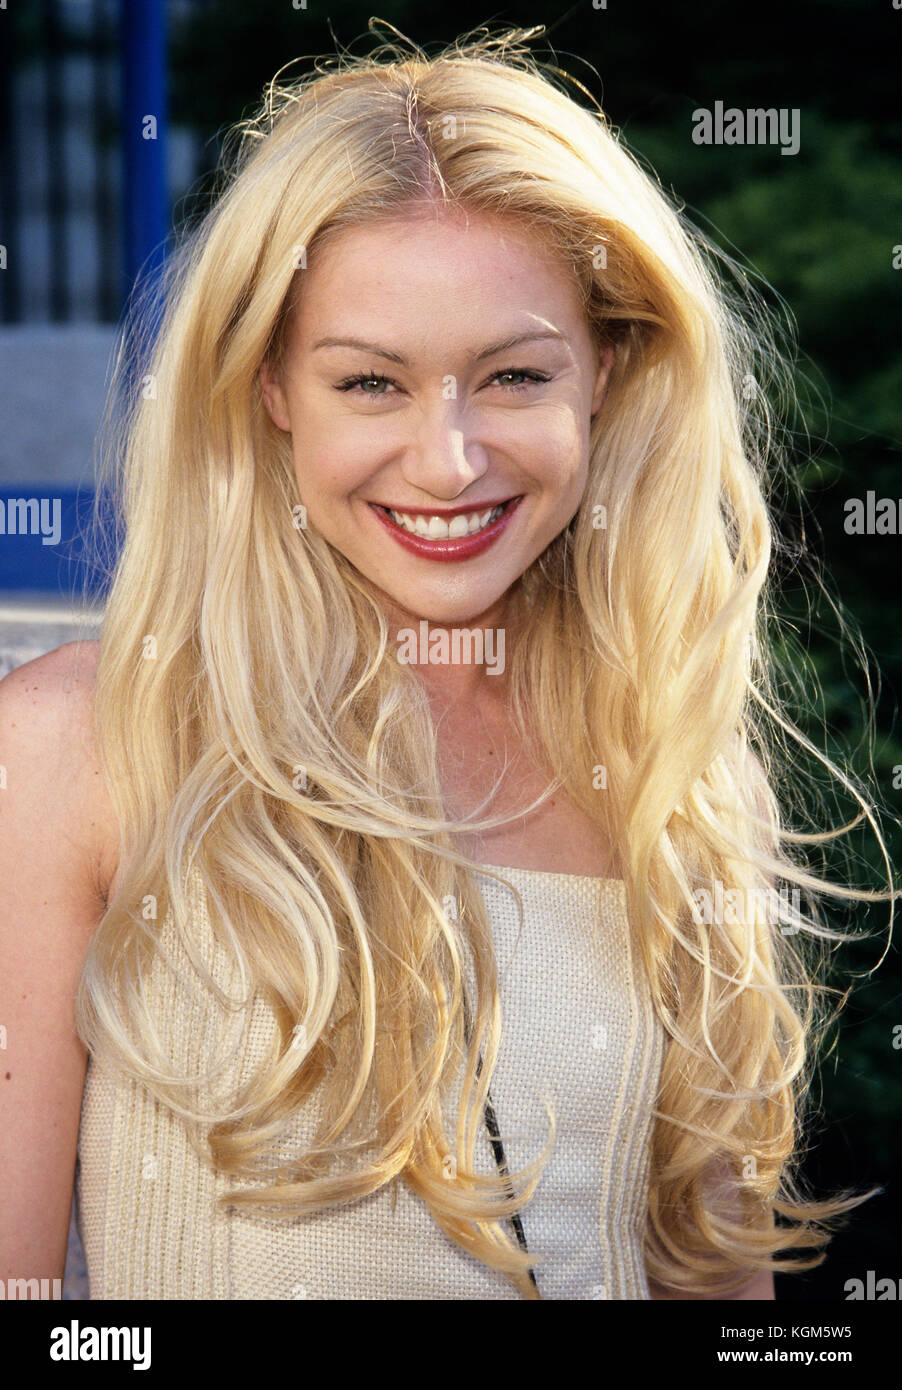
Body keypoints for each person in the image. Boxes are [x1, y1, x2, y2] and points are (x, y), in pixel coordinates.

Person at [0, 23, 891, 1302]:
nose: (449, 460)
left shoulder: (679, 783)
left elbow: (715, 1282)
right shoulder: (79, 745)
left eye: (513, 375)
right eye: (371, 383)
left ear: (609, 374)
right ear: (267, 388)